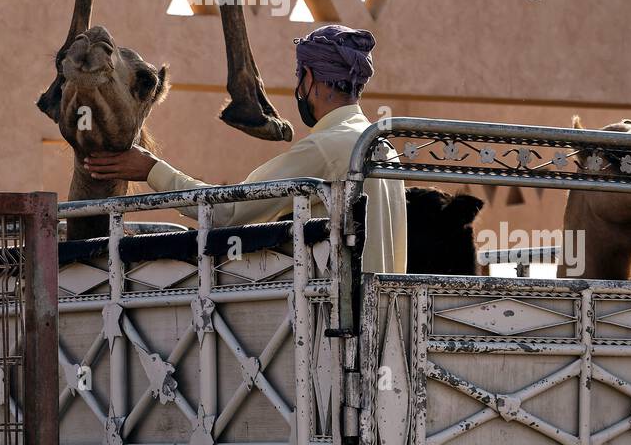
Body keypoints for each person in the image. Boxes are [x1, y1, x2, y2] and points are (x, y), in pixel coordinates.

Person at [82, 23, 406, 274]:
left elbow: (228, 212)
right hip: (384, 321)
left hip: (335, 331)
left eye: (299, 76)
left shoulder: (326, 147)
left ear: (308, 78)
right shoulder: (380, 144)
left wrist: (151, 169)